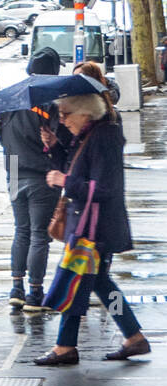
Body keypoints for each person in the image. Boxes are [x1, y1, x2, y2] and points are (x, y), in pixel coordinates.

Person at [34, 87, 149, 365]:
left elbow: (104, 188)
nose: (62, 120)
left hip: (93, 229)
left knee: (73, 283)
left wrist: (65, 181)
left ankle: (65, 346)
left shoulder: (103, 137)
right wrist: (54, 146)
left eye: (66, 114)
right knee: (98, 284)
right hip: (89, 226)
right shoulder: (86, 135)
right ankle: (133, 336)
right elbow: (76, 170)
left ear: (86, 111)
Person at [0, 47, 67, 313]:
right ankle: (35, 293)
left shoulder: (11, 98)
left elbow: (2, 135)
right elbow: (60, 139)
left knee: (21, 230)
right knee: (39, 234)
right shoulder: (50, 102)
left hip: (14, 170)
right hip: (41, 172)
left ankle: (16, 288)